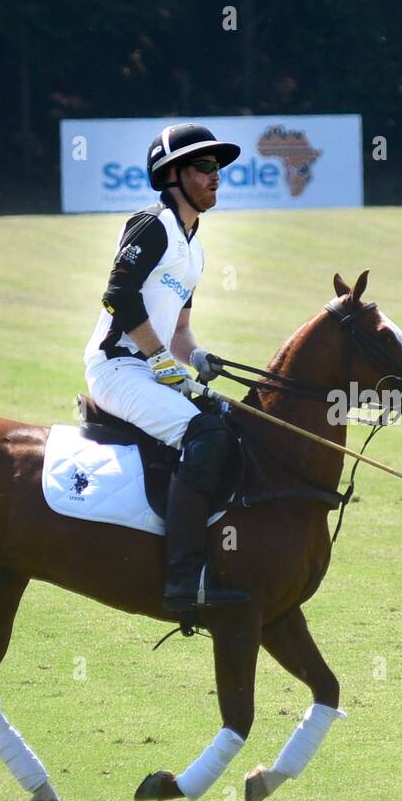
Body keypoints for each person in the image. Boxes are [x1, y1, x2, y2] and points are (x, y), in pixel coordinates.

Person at [83, 123, 248, 609]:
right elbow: (117, 297)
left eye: (218, 167)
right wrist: (158, 360)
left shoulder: (194, 247)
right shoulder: (152, 224)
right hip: (115, 367)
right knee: (206, 436)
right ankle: (183, 578)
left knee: (230, 424)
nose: (215, 176)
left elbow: (178, 332)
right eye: (204, 167)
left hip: (150, 368)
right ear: (171, 174)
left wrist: (195, 357)